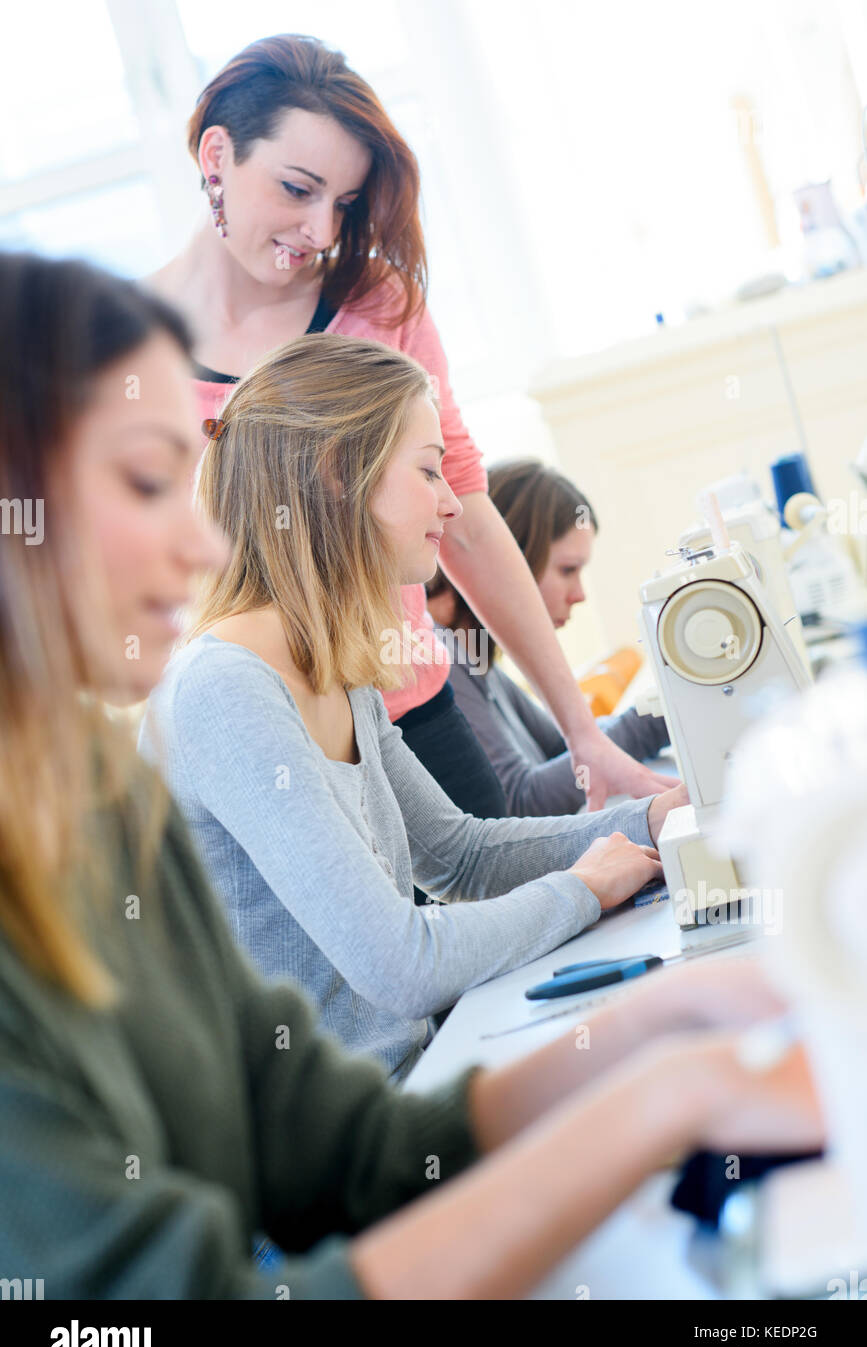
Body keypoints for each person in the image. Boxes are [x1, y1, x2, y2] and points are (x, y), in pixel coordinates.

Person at [0, 251, 823, 1301]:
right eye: (145, 480)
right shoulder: (214, 696)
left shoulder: (111, 809)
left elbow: (346, 1146)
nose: (201, 536)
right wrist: (653, 1094)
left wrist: (658, 1033)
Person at [144, 32, 678, 817]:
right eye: (297, 189)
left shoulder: (376, 306)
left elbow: (463, 510)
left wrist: (582, 734)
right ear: (217, 155)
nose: (322, 231)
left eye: (345, 204)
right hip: (281, 746)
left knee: (528, 911)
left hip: (415, 709)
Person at [139, 334, 684, 1080]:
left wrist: (648, 822)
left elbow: (458, 855)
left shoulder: (336, 667)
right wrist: (583, 889)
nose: (451, 500)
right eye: (427, 470)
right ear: (339, 474)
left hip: (409, 1077)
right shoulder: (224, 689)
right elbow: (400, 964)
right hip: (327, 1152)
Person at [426, 459, 671, 816]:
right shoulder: (438, 655)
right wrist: (661, 714)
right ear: (514, 559)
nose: (580, 594)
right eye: (567, 570)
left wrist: (657, 711)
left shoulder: (474, 651)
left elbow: (561, 746)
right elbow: (520, 800)